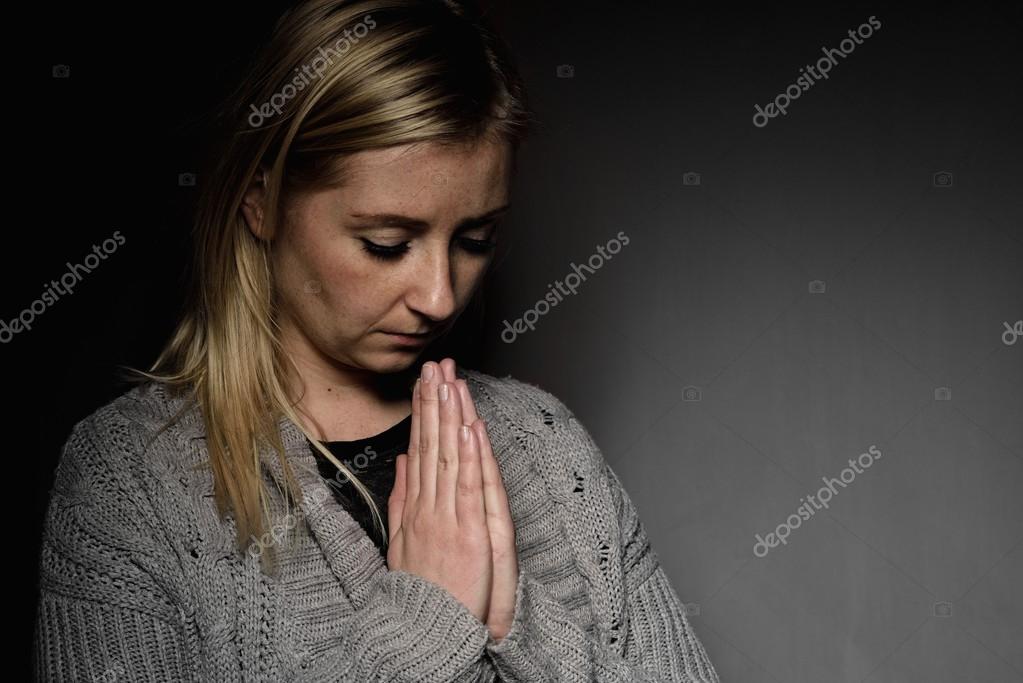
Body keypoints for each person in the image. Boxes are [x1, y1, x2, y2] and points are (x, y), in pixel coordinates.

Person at [32, 1, 721, 680]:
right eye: (386, 243)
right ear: (260, 199)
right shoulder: (128, 479)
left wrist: (512, 615)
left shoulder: (545, 443)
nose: (439, 296)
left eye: (475, 239)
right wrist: (427, 619)